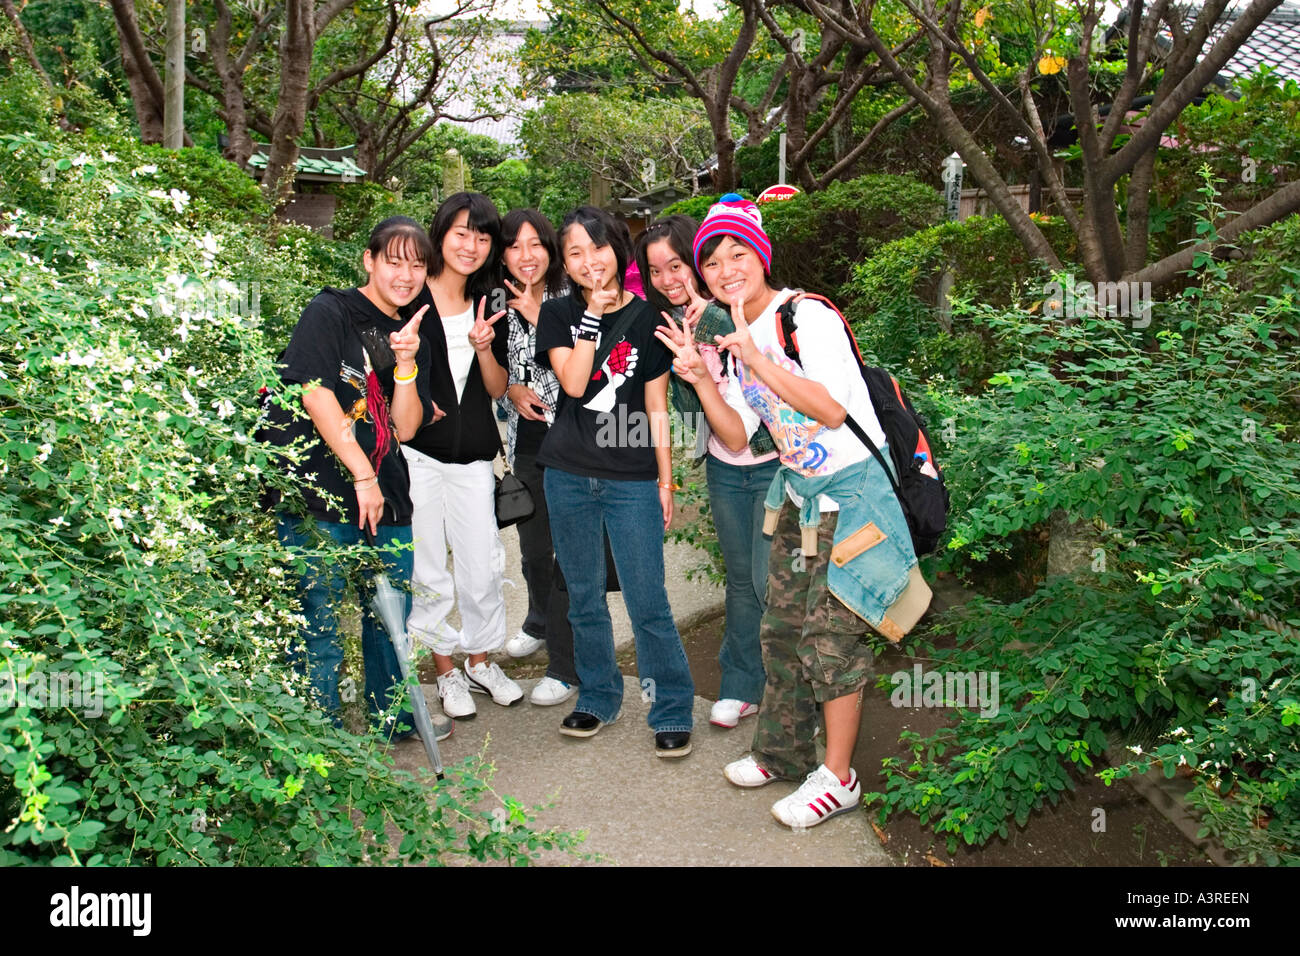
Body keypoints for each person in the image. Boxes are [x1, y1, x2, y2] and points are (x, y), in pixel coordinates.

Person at [656, 195, 930, 827]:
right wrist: (702, 377)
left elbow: (831, 409)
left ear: (761, 256)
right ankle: (781, 753)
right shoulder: (734, 331)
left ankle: (839, 776)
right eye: (713, 261)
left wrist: (753, 356)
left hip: (853, 499)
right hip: (800, 499)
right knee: (781, 630)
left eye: (738, 253)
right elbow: (736, 436)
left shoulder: (804, 316)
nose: (727, 269)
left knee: (831, 641)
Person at [267, 216, 449, 741]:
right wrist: (362, 475)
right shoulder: (330, 311)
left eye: (418, 265)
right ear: (369, 260)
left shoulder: (414, 332)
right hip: (322, 492)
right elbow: (315, 392)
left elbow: (408, 426)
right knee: (318, 619)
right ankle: (317, 737)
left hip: (387, 496)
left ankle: (390, 721)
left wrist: (408, 366)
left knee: (391, 619)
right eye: (395, 261)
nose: (407, 274)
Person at [535, 205, 695, 758]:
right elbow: (575, 384)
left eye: (597, 248)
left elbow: (655, 405)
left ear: (617, 251)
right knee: (582, 596)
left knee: (648, 598)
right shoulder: (557, 316)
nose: (588, 262)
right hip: (568, 474)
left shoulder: (652, 318)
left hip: (631, 479)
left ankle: (671, 705)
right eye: (574, 253)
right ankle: (598, 696)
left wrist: (666, 479)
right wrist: (591, 318)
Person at [635, 215, 779, 729]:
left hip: (773, 468)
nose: (669, 278)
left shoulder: (734, 316)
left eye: (676, 265)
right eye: (655, 272)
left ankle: (786, 690)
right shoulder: (671, 326)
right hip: (724, 467)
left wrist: (711, 333)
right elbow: (680, 411)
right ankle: (742, 686)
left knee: (770, 583)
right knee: (741, 581)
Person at [402, 192, 523, 719]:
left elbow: (497, 389)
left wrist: (481, 349)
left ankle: (479, 660)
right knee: (429, 568)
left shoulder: (491, 300)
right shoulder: (409, 295)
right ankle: (444, 671)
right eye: (461, 232)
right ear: (440, 233)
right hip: (417, 457)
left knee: (482, 565)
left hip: (473, 458)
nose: (471, 245)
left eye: (482, 236)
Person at [498, 209, 579, 707]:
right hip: (523, 444)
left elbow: (583, 380)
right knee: (532, 549)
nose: (526, 256)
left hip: (570, 445)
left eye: (535, 245)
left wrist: (537, 316)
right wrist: (510, 387)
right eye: (514, 246)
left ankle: (566, 665)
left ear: (550, 250)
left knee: (568, 555)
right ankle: (537, 620)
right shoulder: (495, 301)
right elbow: (497, 371)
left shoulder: (573, 298)